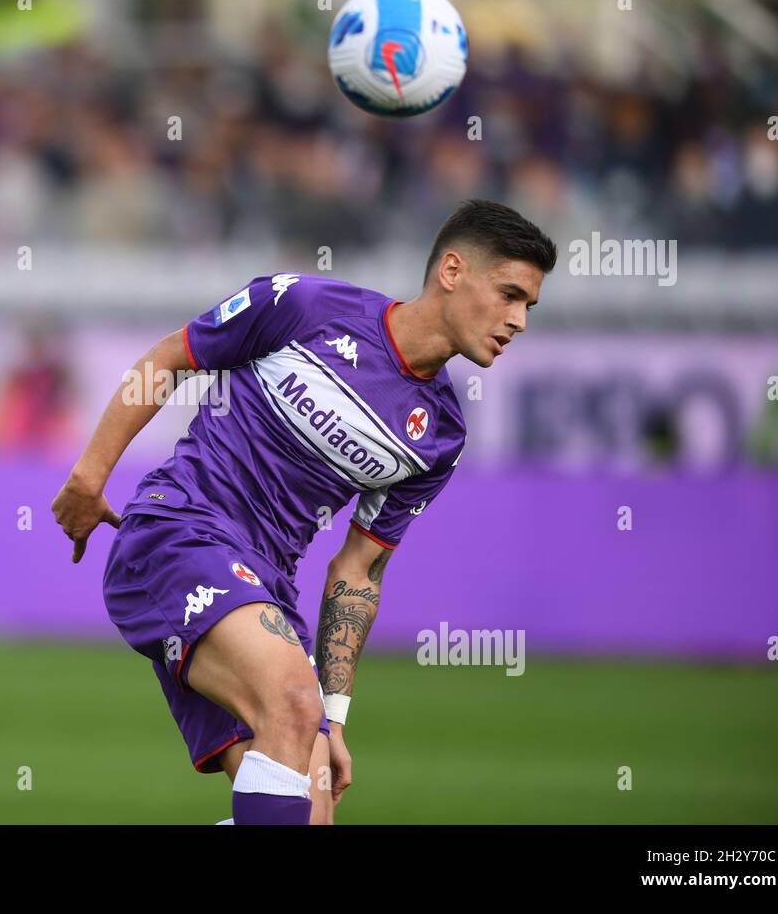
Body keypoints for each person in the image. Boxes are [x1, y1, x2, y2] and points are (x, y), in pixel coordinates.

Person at [52, 199, 556, 823]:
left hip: (265, 588)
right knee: (290, 703)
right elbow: (173, 358)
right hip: (179, 531)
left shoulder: (441, 437)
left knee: (312, 808)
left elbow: (358, 571)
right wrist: (89, 474)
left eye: (528, 306)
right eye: (509, 294)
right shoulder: (306, 305)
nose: (518, 321)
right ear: (452, 271)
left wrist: (334, 713)